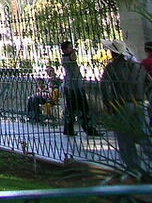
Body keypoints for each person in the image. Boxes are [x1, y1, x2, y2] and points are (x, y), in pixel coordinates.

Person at [100, 39, 149, 177]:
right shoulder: (138, 66)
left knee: (125, 139)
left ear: (113, 53)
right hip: (140, 103)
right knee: (144, 136)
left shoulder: (111, 68)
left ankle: (133, 169)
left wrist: (109, 106)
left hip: (122, 105)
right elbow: (148, 84)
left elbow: (105, 88)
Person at [60, 40, 99, 136]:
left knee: (72, 109)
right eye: (69, 47)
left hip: (74, 85)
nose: (72, 49)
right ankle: (88, 129)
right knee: (82, 109)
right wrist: (74, 51)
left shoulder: (67, 57)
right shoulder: (66, 58)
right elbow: (73, 57)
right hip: (73, 87)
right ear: (64, 50)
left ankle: (69, 129)